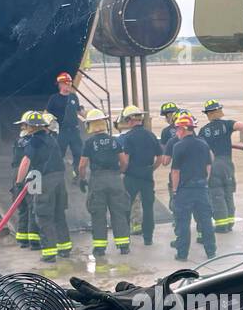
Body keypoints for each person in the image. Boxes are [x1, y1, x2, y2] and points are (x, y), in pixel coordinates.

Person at [14, 111, 71, 263]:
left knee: (44, 216)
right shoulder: (52, 139)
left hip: (45, 181)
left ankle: (49, 253)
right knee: (59, 214)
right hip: (60, 179)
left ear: (31, 127)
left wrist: (19, 183)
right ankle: (65, 248)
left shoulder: (35, 141)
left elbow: (25, 162)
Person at [78, 112, 131, 257]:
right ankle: (124, 246)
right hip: (115, 179)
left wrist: (82, 180)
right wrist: (118, 173)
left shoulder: (89, 143)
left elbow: (82, 165)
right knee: (119, 212)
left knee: (98, 214)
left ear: (90, 125)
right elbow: (124, 161)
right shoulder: (114, 141)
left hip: (97, 180)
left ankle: (100, 248)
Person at [198, 99, 243, 235]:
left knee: (216, 194)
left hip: (213, 163)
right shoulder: (226, 125)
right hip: (227, 163)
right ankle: (229, 223)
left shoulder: (204, 131)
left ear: (208, 114)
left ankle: (222, 225)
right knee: (228, 193)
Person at [168, 112, 216, 261]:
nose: (177, 132)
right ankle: (211, 251)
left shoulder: (178, 146)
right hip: (201, 188)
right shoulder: (203, 144)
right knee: (206, 221)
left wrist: (175, 190)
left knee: (183, 223)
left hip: (184, 190)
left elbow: (175, 171)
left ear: (183, 129)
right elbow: (209, 165)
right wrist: (204, 182)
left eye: (178, 129)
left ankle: (182, 253)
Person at [117, 105, 162, 247]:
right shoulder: (151, 135)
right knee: (148, 208)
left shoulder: (128, 137)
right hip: (147, 176)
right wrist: (151, 169)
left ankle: (124, 240)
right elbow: (159, 157)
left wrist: (122, 171)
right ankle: (148, 238)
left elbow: (125, 160)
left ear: (130, 120)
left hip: (132, 176)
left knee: (126, 207)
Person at [45, 72, 86, 179]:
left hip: (74, 131)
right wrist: (47, 127)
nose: (69, 85)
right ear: (61, 84)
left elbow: (79, 111)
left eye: (70, 83)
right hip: (61, 131)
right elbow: (47, 113)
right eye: (67, 83)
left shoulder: (73, 97)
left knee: (78, 153)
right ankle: (57, 176)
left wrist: (90, 117)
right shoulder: (54, 98)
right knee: (58, 154)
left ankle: (76, 175)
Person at [9, 111, 40, 250]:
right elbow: (27, 161)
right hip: (29, 174)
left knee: (22, 208)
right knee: (32, 208)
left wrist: (17, 183)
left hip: (17, 174)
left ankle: (23, 239)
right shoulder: (33, 142)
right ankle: (34, 240)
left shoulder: (18, 141)